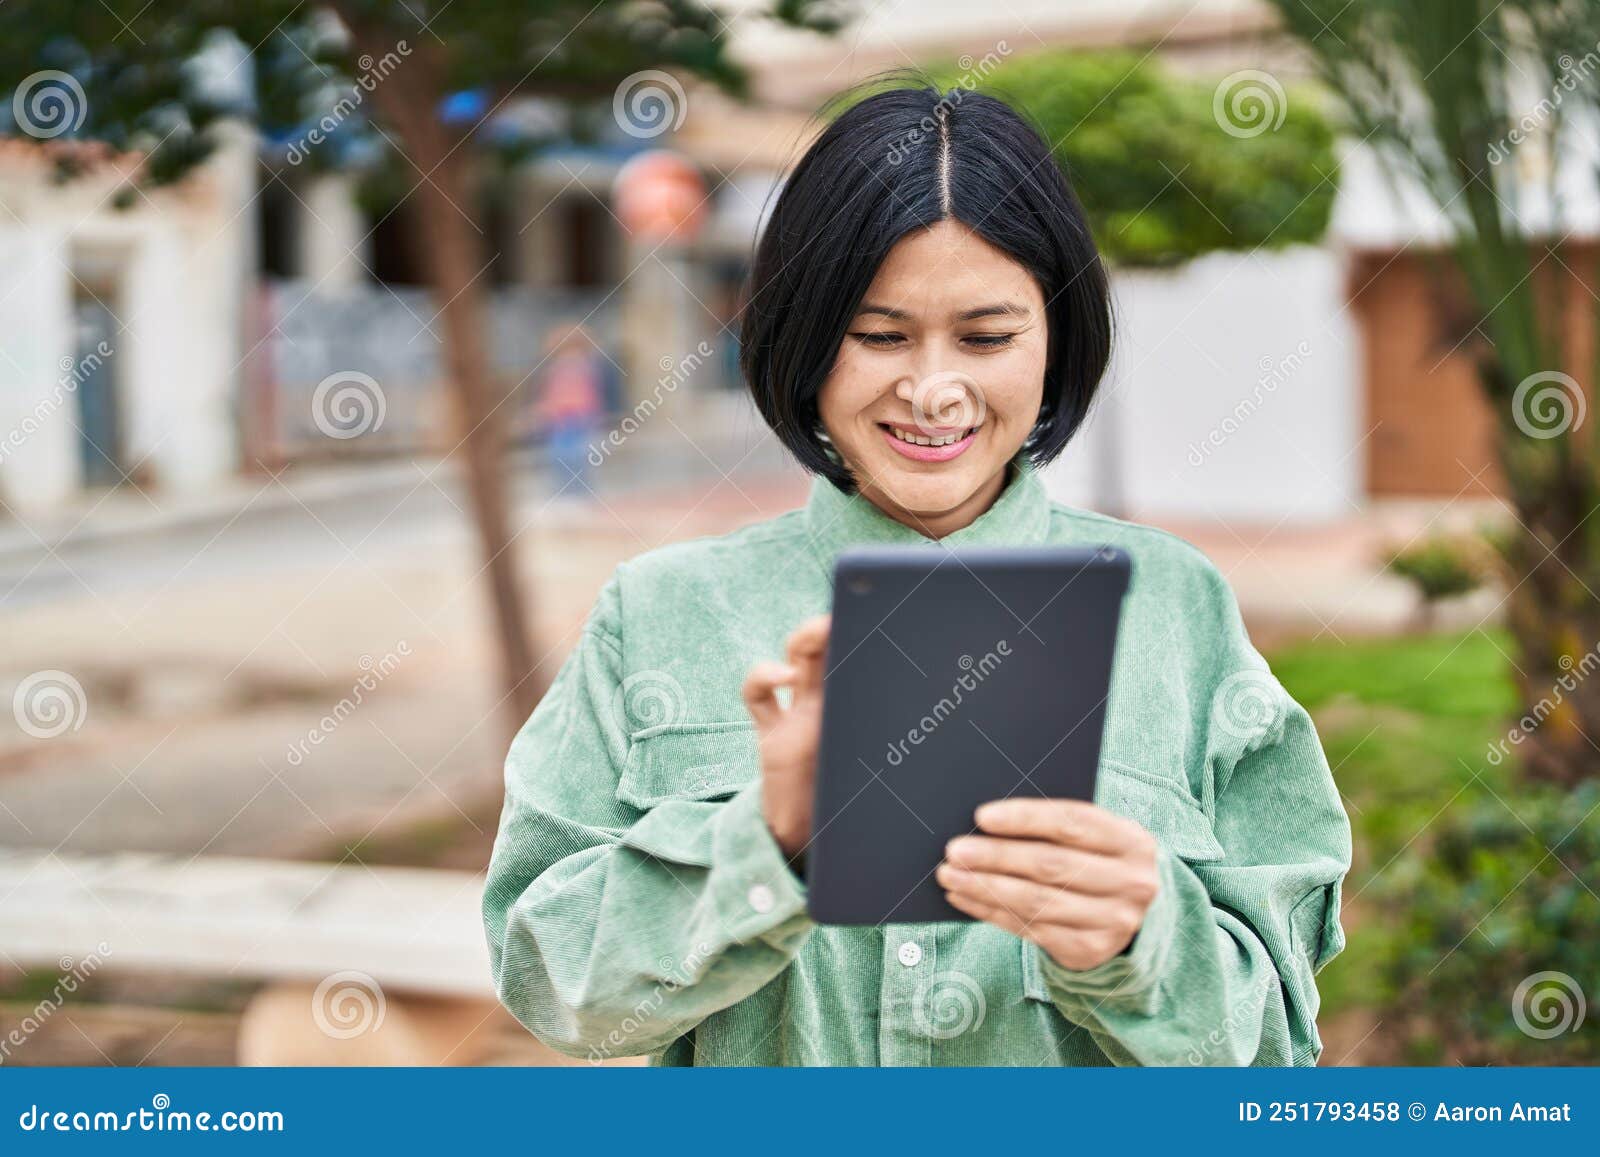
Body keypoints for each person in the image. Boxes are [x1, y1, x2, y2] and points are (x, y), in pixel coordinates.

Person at [482, 83, 1351, 1066]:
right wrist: (766, 846)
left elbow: (1274, 1045)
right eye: (879, 334)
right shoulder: (658, 612)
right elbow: (561, 999)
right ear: (805, 335)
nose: (932, 389)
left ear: (1056, 336)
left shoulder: (1176, 607)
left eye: (986, 336)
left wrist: (1142, 942)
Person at [528, 323, 606, 495]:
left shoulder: (584, 368)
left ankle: (579, 489)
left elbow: (587, 395)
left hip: (577, 418)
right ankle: (566, 489)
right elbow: (551, 394)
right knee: (559, 454)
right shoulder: (555, 370)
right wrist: (544, 412)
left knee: (577, 455)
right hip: (561, 419)